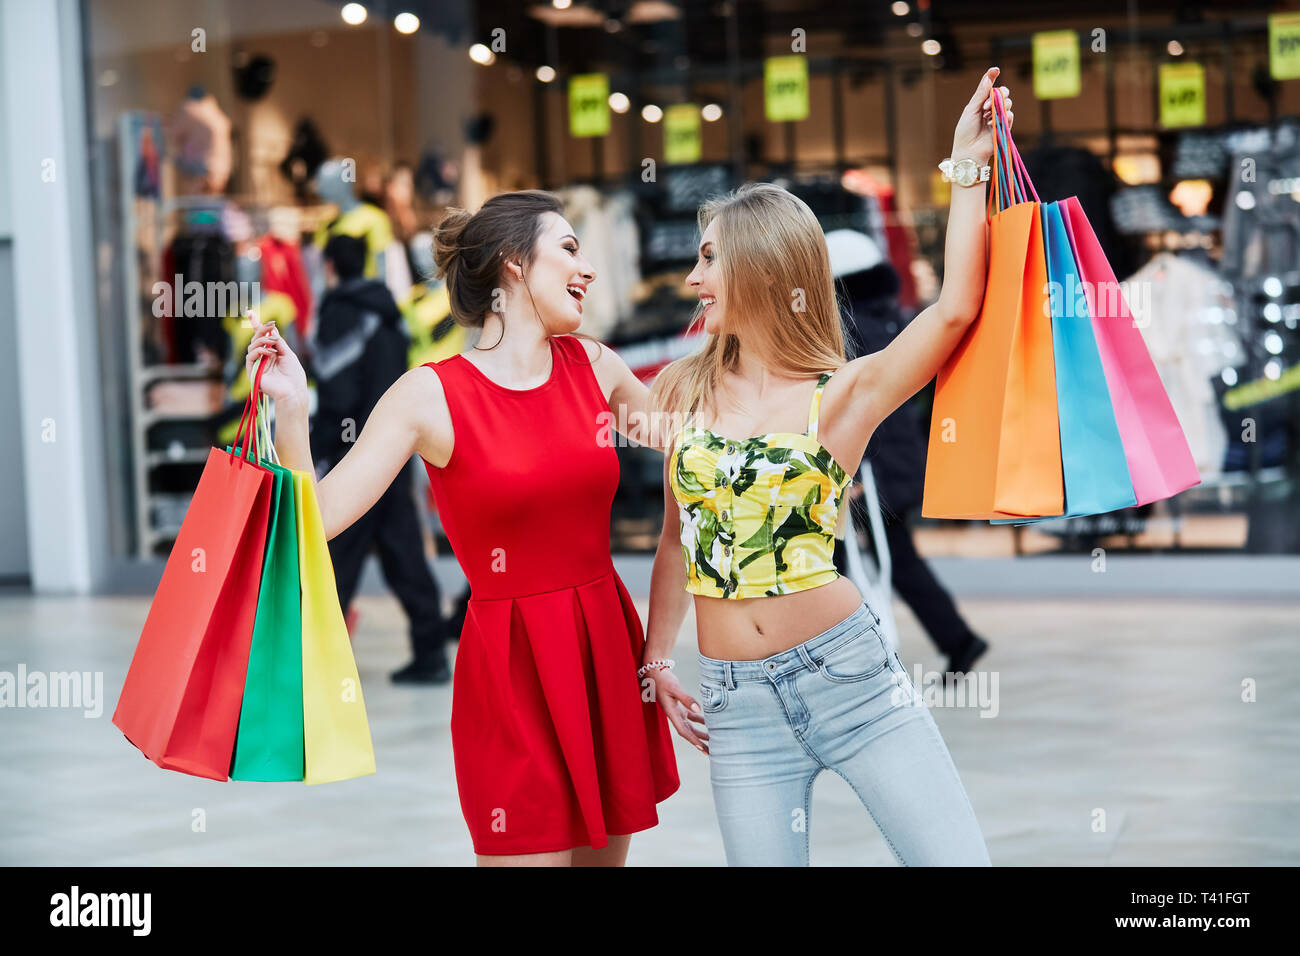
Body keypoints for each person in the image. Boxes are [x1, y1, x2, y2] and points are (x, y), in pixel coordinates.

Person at [642, 67, 1011, 866]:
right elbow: (677, 541)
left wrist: (966, 163)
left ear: (763, 270)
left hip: (849, 679)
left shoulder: (842, 393)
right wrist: (656, 657)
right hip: (735, 705)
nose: (693, 278)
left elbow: (954, 309)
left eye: (710, 259)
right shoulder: (683, 390)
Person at [245, 190, 678, 866]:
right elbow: (318, 520)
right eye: (568, 248)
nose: (588, 268)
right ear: (513, 265)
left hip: (603, 655)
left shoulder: (594, 366)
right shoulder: (431, 394)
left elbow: (698, 451)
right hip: (511, 674)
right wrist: (294, 410)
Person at [826, 228, 990, 677]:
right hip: (897, 463)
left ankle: (848, 657)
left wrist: (849, 472)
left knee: (836, 560)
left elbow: (845, 406)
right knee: (891, 557)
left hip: (868, 468)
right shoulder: (893, 319)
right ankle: (957, 639)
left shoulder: (845, 328)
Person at [309, 234, 451, 684]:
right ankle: (430, 653)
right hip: (395, 449)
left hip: (356, 458)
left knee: (335, 560)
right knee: (404, 553)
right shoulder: (390, 310)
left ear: (330, 266)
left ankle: (314, 664)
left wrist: (316, 448)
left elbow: (338, 390)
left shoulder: (339, 311)